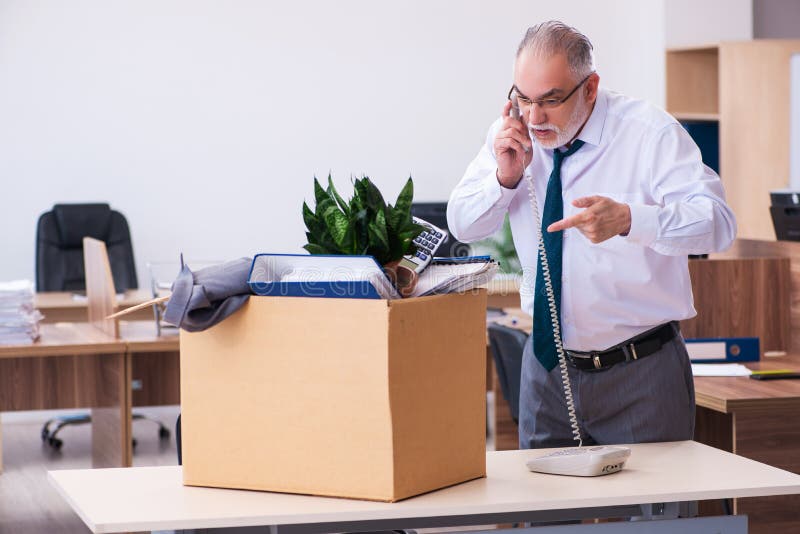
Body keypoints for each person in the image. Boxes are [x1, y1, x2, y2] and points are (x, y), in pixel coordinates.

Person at [447, 21, 736, 449]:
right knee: (543, 513)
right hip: (547, 368)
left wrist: (631, 221)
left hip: (641, 371)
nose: (534, 116)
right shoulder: (512, 136)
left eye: (550, 100)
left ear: (590, 87)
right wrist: (503, 178)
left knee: (658, 516)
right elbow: (463, 224)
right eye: (522, 98)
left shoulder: (649, 134)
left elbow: (718, 224)